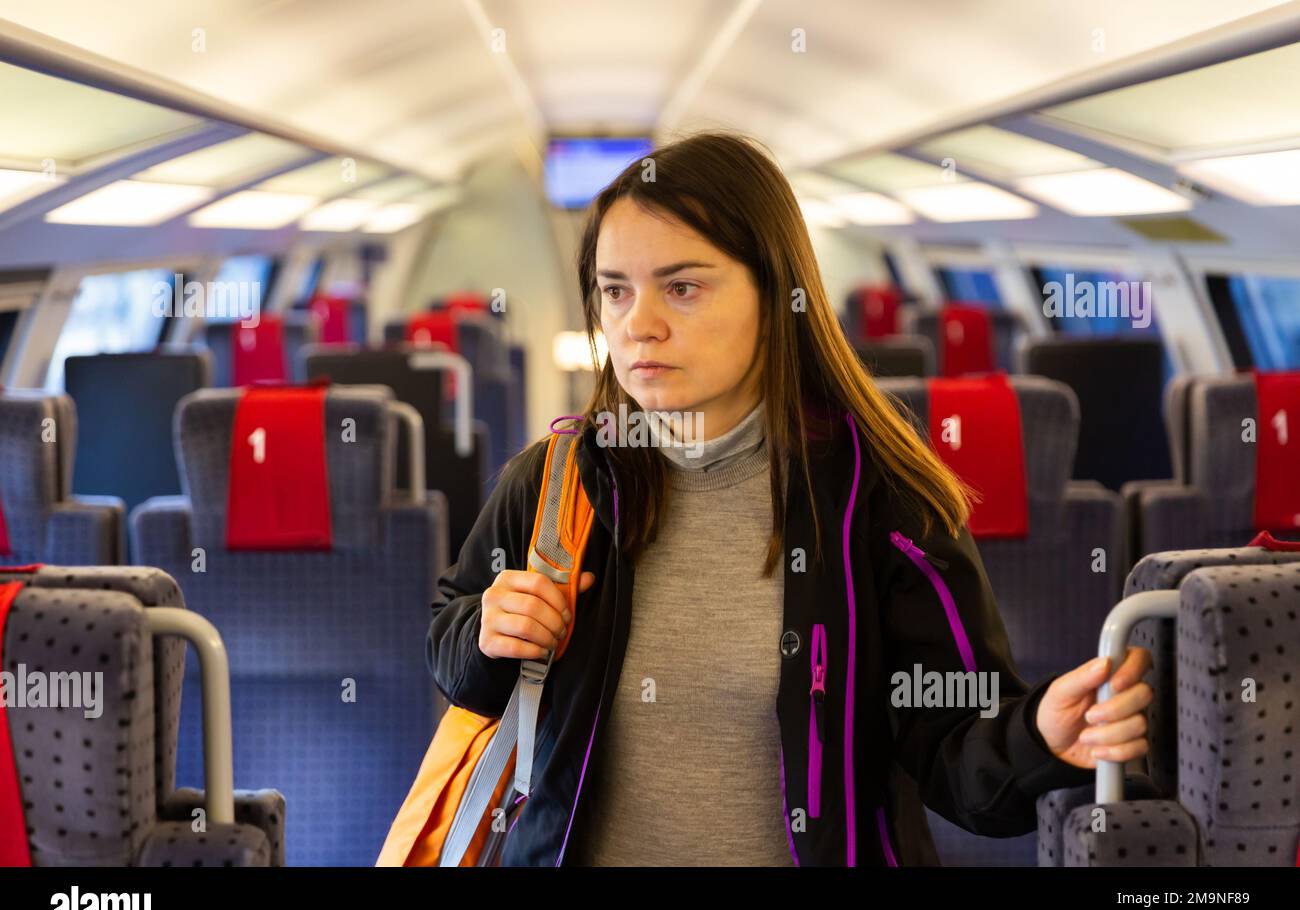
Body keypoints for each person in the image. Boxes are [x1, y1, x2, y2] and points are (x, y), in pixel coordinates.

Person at [426, 131, 1152, 866]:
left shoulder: (880, 500)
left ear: (776, 297)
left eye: (682, 287)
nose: (636, 324)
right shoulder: (552, 483)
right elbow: (448, 638)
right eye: (615, 291)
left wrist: (1038, 738)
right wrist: (487, 634)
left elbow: (953, 745)